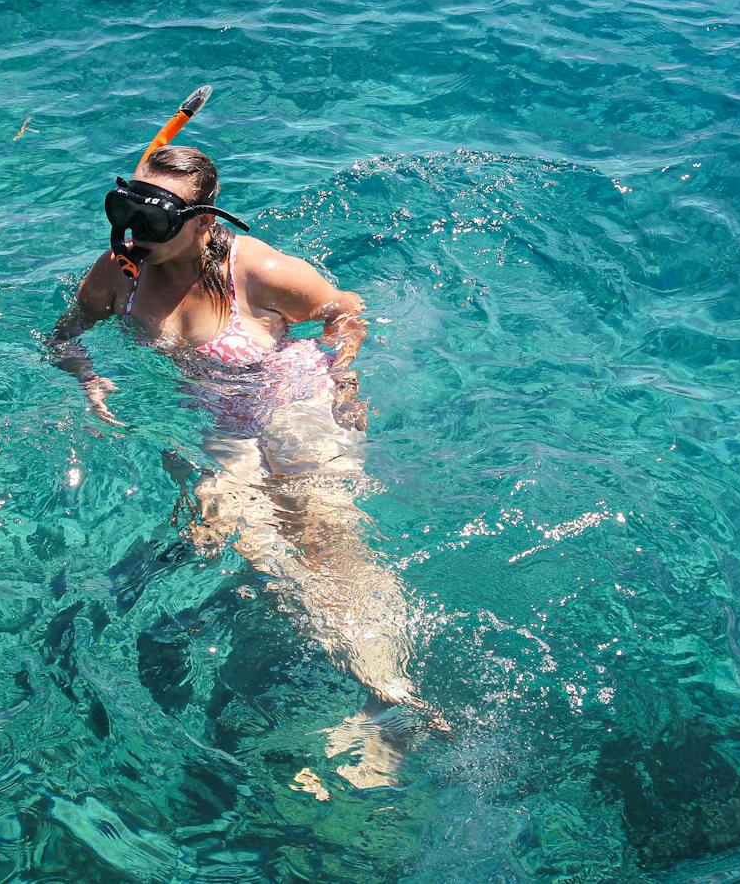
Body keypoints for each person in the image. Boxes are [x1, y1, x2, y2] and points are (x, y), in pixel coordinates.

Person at [49, 144, 447, 788]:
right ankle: (382, 694)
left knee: (327, 541)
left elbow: (344, 309)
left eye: (155, 219)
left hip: (294, 402)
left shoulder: (254, 268)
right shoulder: (119, 273)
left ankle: (390, 697)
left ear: (205, 221)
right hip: (214, 427)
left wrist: (345, 377)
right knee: (257, 549)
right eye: (128, 210)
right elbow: (63, 335)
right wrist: (87, 378)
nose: (136, 231)